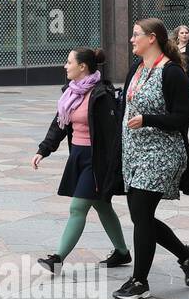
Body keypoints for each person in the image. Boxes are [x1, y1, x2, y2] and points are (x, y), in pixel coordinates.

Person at [114, 18, 189, 299]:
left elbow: (185, 116)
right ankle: (186, 254)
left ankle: (139, 281)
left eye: (136, 35)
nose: (132, 39)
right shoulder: (137, 68)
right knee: (140, 216)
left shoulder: (172, 72)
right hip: (133, 153)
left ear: (151, 38)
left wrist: (149, 120)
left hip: (162, 154)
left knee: (141, 216)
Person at [32, 47, 130, 275]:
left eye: (69, 62)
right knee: (102, 206)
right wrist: (43, 150)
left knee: (78, 207)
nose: (65, 66)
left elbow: (112, 135)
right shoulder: (71, 92)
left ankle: (57, 259)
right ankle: (123, 252)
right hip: (78, 156)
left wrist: (112, 168)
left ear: (82, 67)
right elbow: (60, 124)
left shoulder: (101, 95)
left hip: (97, 161)